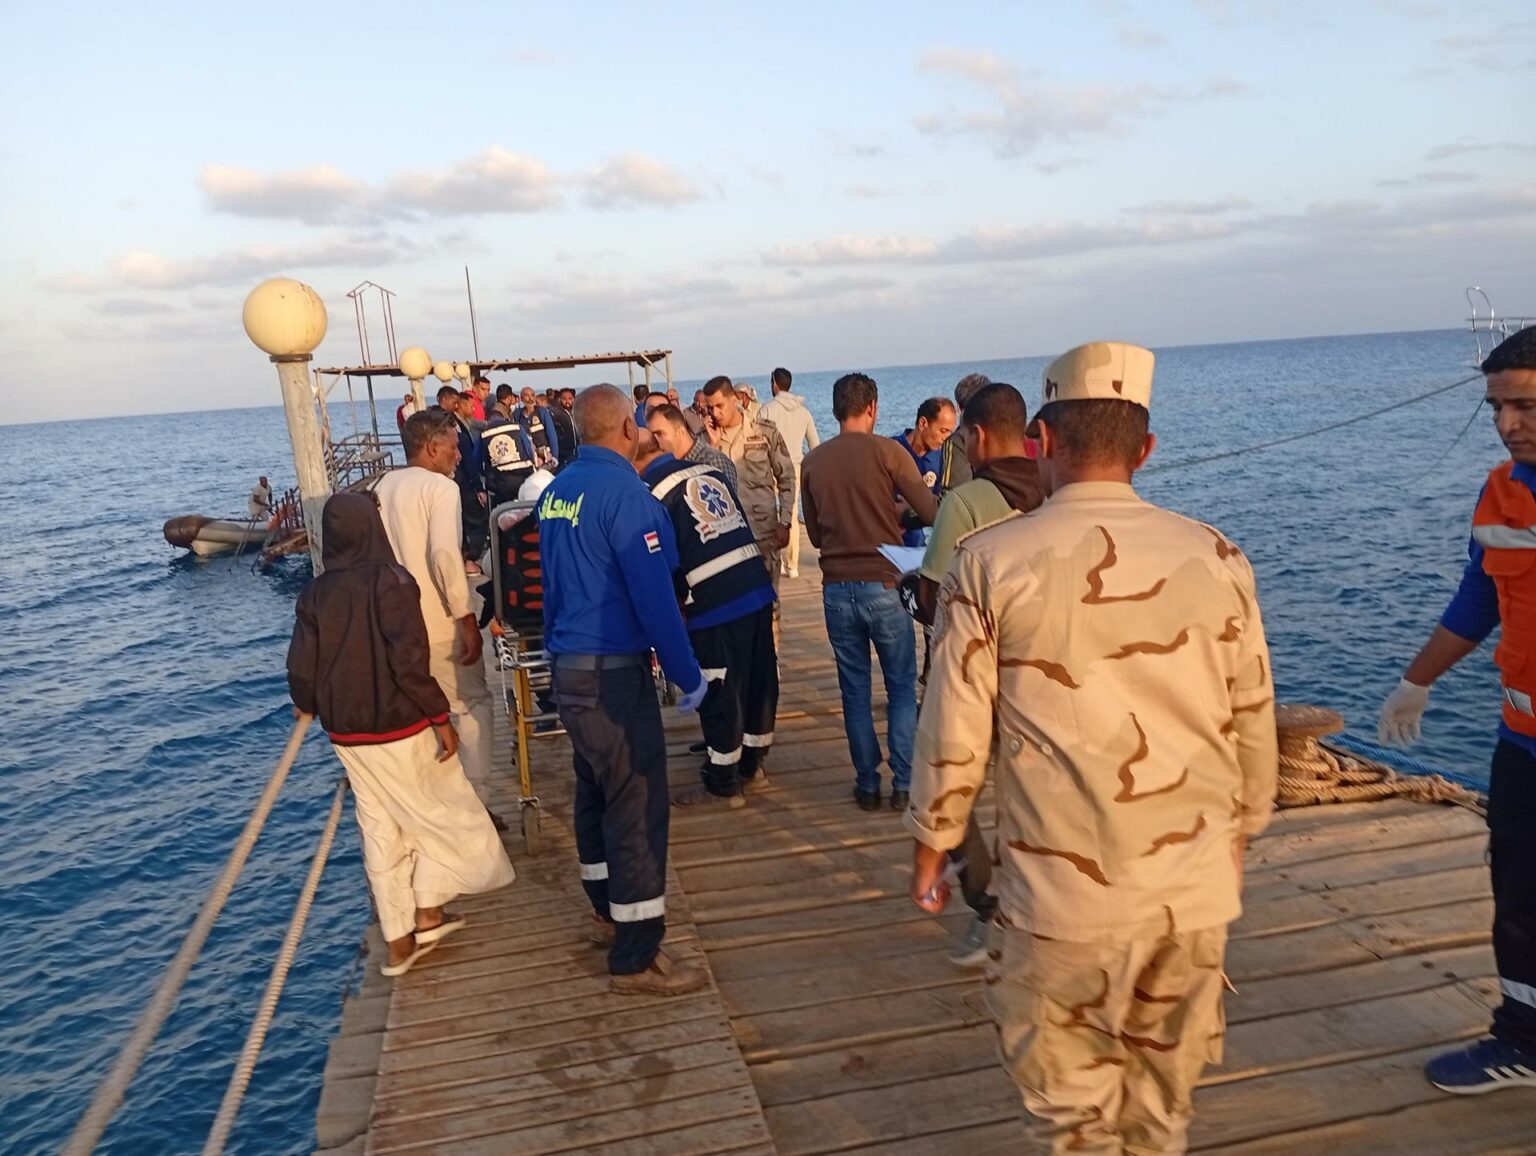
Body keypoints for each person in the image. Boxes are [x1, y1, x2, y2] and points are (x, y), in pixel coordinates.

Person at [906, 342, 1277, 1155]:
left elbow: (953, 732)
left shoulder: (991, 563)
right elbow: (1252, 720)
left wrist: (934, 847)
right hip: (1194, 894)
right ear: (1146, 451)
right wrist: (1240, 838)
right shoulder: (1218, 557)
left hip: (1060, 900)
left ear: (1039, 440)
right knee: (1162, 1108)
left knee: (1072, 1118)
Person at [1379, 325, 1536, 1094]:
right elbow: (1479, 597)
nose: (1510, 424)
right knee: (1521, 899)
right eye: (1498, 408)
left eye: (1527, 406)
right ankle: (1524, 1038)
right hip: (1524, 744)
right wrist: (1418, 679)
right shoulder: (1500, 491)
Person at [287, 492, 515, 977]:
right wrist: (439, 717)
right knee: (450, 815)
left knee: (381, 831)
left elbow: (302, 671)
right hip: (401, 726)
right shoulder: (391, 581)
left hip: (348, 736)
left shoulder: (314, 594)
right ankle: (429, 906)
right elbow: (408, 664)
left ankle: (399, 938)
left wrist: (306, 705)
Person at [539, 384, 711, 996]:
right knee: (636, 805)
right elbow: (656, 599)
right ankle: (637, 955)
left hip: (568, 665)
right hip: (613, 673)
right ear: (625, 428)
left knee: (594, 792)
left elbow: (552, 587)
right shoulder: (628, 499)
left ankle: (605, 911)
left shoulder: (556, 494)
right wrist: (688, 676)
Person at [907, 382, 1043, 969]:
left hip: (974, 672)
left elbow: (934, 592)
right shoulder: (1057, 491)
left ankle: (987, 906)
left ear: (977, 435)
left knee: (953, 788)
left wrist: (912, 593)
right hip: (1043, 676)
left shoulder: (964, 501)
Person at [800, 373, 938, 811]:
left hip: (837, 589)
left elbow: (817, 536)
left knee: (854, 689)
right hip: (885, 583)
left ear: (837, 409)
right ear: (873, 408)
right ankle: (903, 782)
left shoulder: (814, 462)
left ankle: (866, 783)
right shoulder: (889, 452)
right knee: (899, 687)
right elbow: (931, 510)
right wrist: (895, 510)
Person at [634, 429, 778, 807]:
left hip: (714, 599)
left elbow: (663, 560)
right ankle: (753, 763)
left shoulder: (649, 494)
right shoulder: (708, 473)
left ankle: (723, 782)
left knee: (720, 687)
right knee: (757, 675)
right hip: (755, 584)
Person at [373, 411, 500, 827]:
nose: (459, 454)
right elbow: (444, 555)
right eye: (452, 446)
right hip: (436, 620)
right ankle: (475, 808)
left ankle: (436, 807)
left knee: (425, 713)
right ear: (431, 448)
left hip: (394, 626)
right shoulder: (440, 489)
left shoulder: (380, 486)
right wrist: (465, 617)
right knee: (472, 705)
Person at [701, 376, 794, 634]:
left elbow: (786, 477)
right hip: (725, 540)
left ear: (735, 400)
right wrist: (713, 446)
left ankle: (771, 666)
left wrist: (785, 521)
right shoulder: (704, 439)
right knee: (733, 610)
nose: (715, 413)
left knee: (769, 607)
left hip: (763, 534)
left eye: (720, 406)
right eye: (710, 408)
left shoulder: (764, 432)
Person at [758, 367, 821, 579]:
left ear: (775, 384)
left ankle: (776, 558)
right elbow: (815, 445)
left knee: (769, 512)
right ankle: (792, 564)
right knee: (791, 515)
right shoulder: (804, 412)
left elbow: (758, 441)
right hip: (795, 466)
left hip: (769, 465)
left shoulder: (767, 410)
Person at [892, 398, 955, 547]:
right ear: (923, 423)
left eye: (950, 433)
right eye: (943, 431)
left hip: (917, 546)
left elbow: (940, 508)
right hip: (886, 542)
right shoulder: (891, 449)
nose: (946, 438)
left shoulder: (941, 458)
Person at [647, 402, 739, 492]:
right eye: (651, 436)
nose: (654, 441)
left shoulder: (714, 462)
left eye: (659, 434)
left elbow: (729, 504)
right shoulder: (665, 467)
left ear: (680, 431)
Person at [479, 390, 537, 510]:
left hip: (499, 483)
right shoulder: (516, 427)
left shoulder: (484, 434)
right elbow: (529, 451)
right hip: (523, 477)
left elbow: (477, 461)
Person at [938, 372, 993, 499]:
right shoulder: (1005, 431)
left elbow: (952, 497)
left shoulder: (958, 441)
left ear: (959, 408)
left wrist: (910, 511)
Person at [520, 386, 560, 468]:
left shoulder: (542, 412)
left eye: (532, 395)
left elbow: (552, 434)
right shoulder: (518, 415)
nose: (530, 398)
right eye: (526, 395)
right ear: (521, 398)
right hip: (529, 460)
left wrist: (555, 456)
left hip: (546, 458)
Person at [547, 386, 578, 466]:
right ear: (560, 399)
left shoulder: (578, 411)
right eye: (564, 399)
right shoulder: (554, 413)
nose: (567, 401)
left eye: (570, 398)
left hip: (577, 452)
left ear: (574, 399)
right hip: (563, 454)